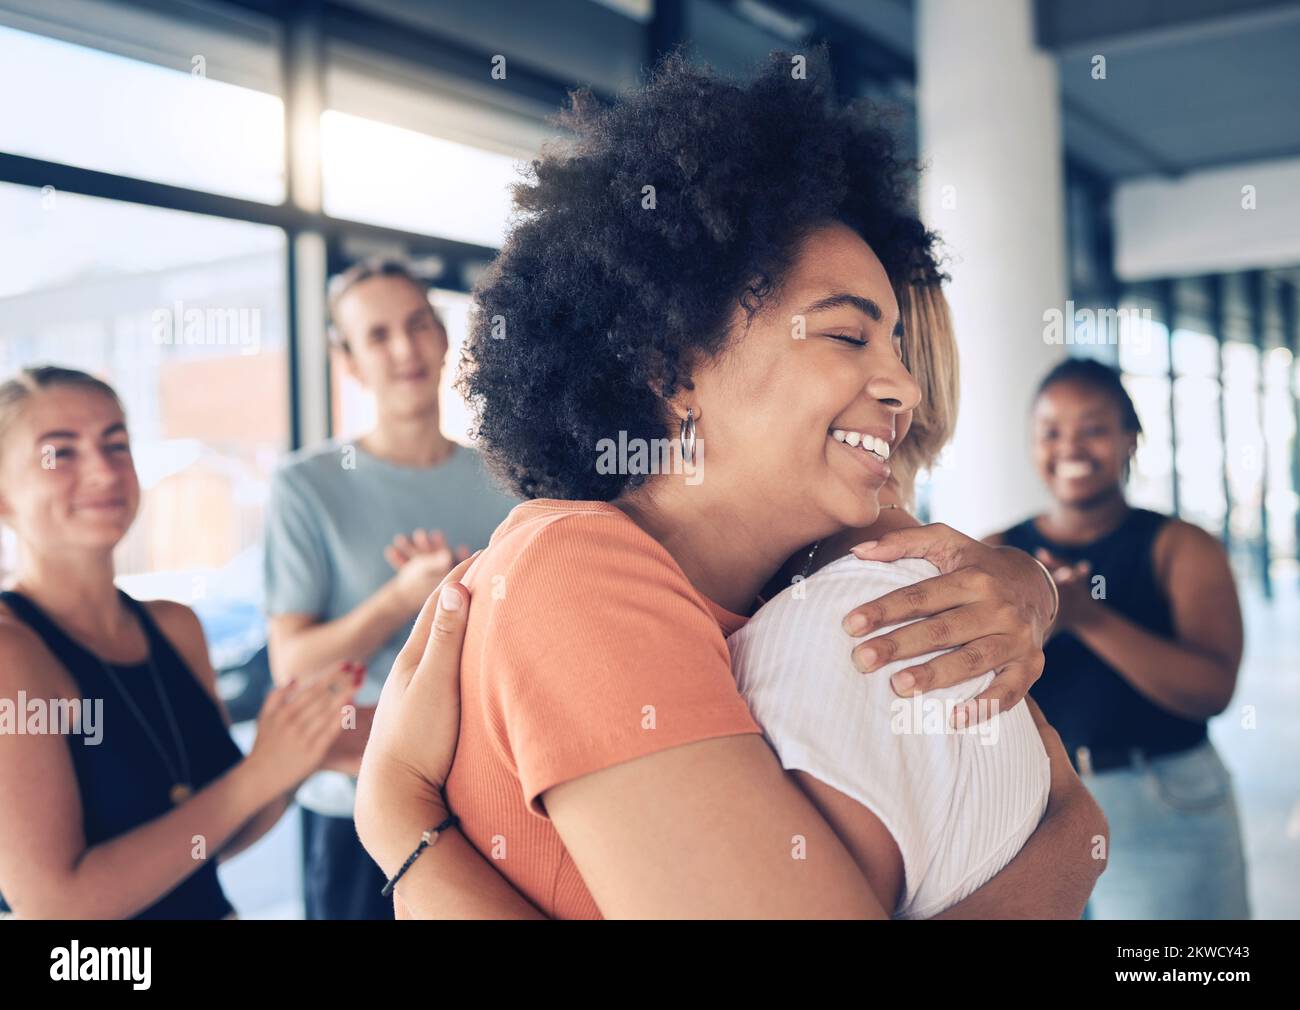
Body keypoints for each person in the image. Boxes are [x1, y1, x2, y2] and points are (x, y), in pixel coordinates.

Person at [355, 52, 1106, 919]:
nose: (905, 386)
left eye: (897, 344)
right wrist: (1071, 838)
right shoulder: (578, 569)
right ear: (671, 368)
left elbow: (966, 562)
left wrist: (1033, 588)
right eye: (846, 338)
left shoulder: (762, 576)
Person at [0, 366, 354, 919]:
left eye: (116, 444)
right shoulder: (10, 653)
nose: (102, 470)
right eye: (60, 453)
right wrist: (259, 775)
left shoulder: (173, 626)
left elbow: (214, 838)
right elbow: (55, 906)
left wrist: (296, 757)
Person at [263, 259, 517, 920]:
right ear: (345, 359)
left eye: (417, 326)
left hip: (486, 798)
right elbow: (292, 664)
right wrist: (403, 600)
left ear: (441, 336)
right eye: (377, 336)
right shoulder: (307, 486)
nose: (404, 349)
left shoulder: (505, 477)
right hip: (356, 812)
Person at [992, 358, 1250, 919]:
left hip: (1163, 800)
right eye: (1051, 431)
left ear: (1131, 439)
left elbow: (1212, 690)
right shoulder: (999, 552)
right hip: (1032, 808)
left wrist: (1088, 616)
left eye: (1094, 428)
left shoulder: (1181, 548)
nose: (1071, 447)